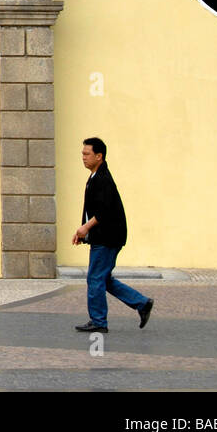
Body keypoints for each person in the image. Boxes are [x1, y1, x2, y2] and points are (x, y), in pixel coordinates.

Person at [71, 137, 153, 333]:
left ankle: (99, 321)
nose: (83, 157)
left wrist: (85, 228)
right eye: (82, 153)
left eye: (86, 154)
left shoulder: (102, 179)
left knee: (95, 278)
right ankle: (141, 303)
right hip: (105, 236)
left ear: (99, 156)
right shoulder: (95, 177)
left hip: (107, 238)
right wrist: (84, 232)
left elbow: (104, 211)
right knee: (103, 278)